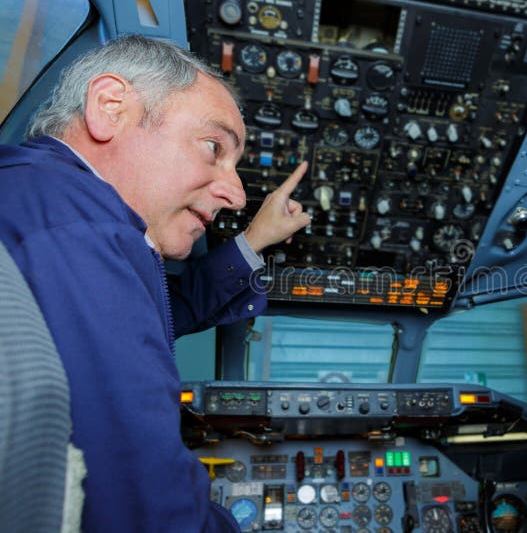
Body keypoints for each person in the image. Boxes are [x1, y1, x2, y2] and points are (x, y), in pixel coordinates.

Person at [0, 34, 310, 531]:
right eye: (214, 148)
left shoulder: (41, 202)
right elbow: (147, 511)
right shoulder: (79, 231)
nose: (236, 193)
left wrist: (254, 241)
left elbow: (164, 311)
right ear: (111, 108)